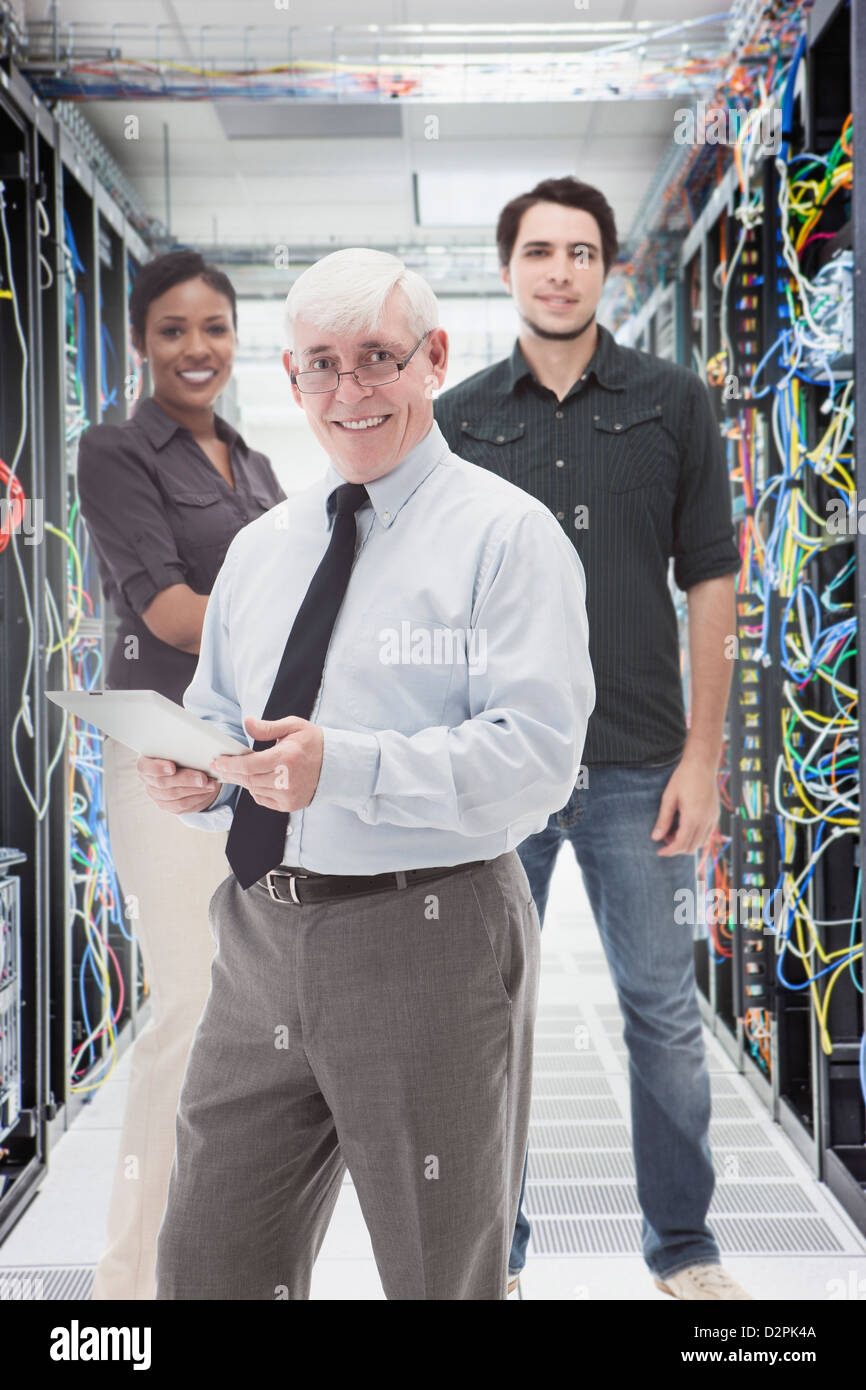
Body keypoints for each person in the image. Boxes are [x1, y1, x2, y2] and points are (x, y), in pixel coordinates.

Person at [136, 246, 595, 1300]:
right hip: (256, 938)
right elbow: (222, 716)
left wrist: (344, 768)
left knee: (442, 1273)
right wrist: (205, 778)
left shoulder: (505, 539)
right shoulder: (261, 548)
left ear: (432, 359)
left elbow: (536, 759)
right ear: (289, 379)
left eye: (377, 358)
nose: (348, 392)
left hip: (425, 938)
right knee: (207, 1264)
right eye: (321, 365)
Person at [434, 176, 750, 1301]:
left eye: (578, 251)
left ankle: (684, 1250)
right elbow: (423, 596)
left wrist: (703, 759)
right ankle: (492, 1258)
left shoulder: (671, 402)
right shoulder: (459, 416)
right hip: (498, 769)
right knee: (484, 1025)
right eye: (537, 250)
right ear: (506, 266)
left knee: (661, 1012)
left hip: (639, 765)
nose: (557, 269)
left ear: (607, 268)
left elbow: (710, 578)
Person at [77, 250, 286, 1300]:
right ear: (139, 341)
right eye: (172, 330)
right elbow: (162, 609)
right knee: (189, 1005)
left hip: (245, 757)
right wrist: (309, 633)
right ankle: (127, 1289)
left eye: (213, 327)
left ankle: (215, 1271)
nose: (196, 349)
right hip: (160, 745)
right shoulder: (113, 452)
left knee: (254, 1017)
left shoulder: (249, 462)